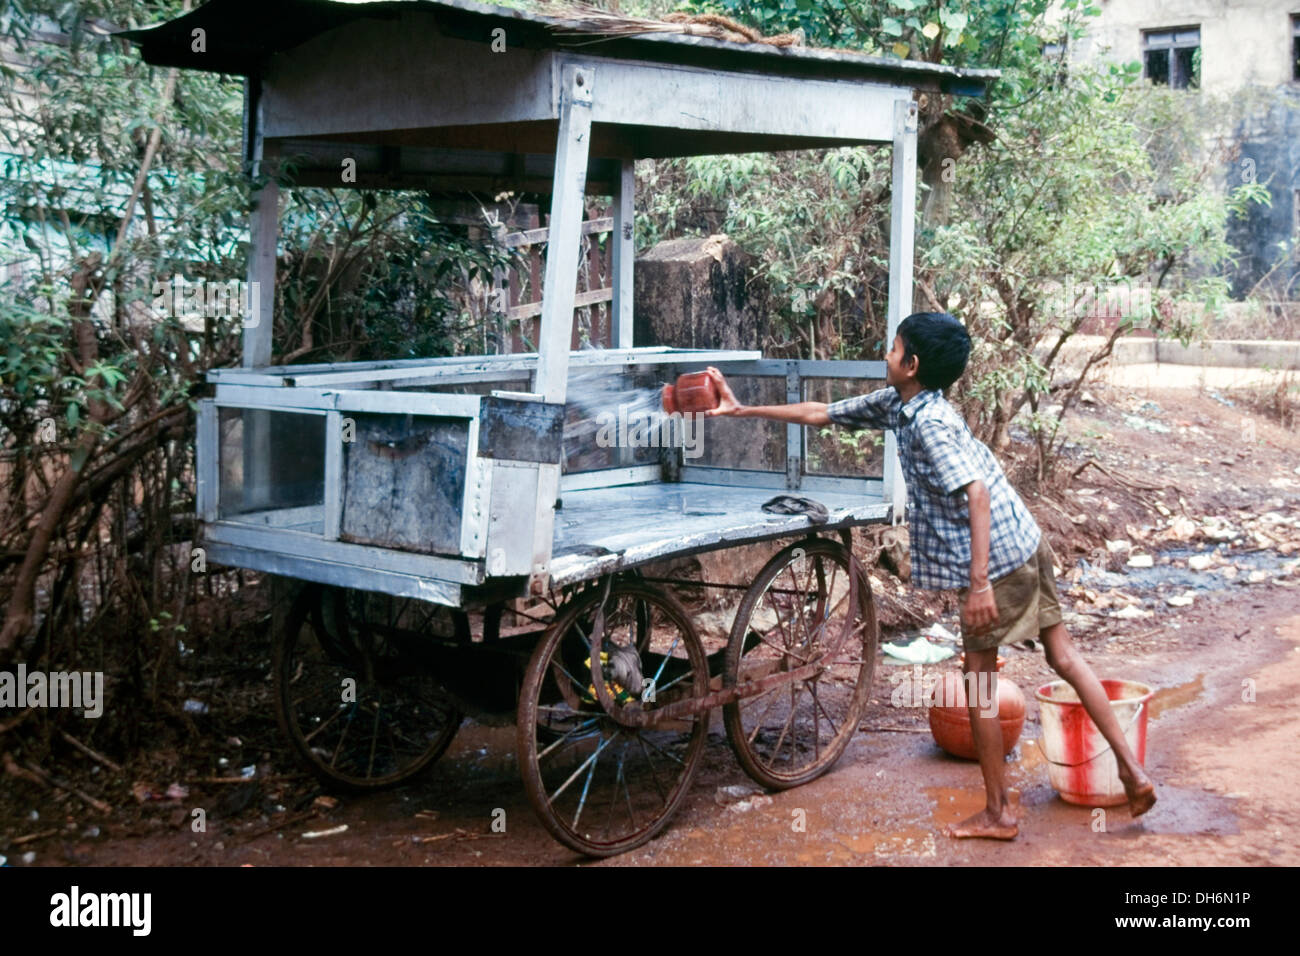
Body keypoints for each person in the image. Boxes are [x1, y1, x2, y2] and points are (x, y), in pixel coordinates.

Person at [702, 311, 1156, 839]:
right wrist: (741, 408)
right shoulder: (904, 403)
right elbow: (824, 412)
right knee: (1063, 657)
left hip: (999, 561)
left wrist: (980, 583)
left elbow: (976, 494)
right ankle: (1131, 772)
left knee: (981, 682)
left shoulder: (929, 424)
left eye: (893, 349)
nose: (886, 355)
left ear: (912, 364)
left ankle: (999, 813)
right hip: (1025, 539)